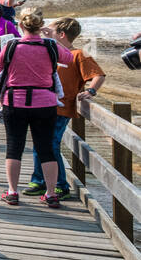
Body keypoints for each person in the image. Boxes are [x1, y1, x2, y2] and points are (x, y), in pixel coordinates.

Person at [0, 7, 73, 208]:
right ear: (40, 26)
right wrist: (52, 37)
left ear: (21, 25)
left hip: (15, 101)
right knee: (46, 148)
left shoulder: (11, 46)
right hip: (44, 102)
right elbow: (69, 58)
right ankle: (51, 194)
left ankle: (12, 191)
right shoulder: (50, 46)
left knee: (14, 147)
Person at [24, 17, 106, 200]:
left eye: (51, 32)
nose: (46, 34)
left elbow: (98, 75)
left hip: (61, 108)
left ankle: (60, 184)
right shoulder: (49, 50)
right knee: (40, 143)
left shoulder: (79, 54)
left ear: (61, 35)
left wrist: (91, 91)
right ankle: (39, 180)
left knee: (51, 144)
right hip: (43, 105)